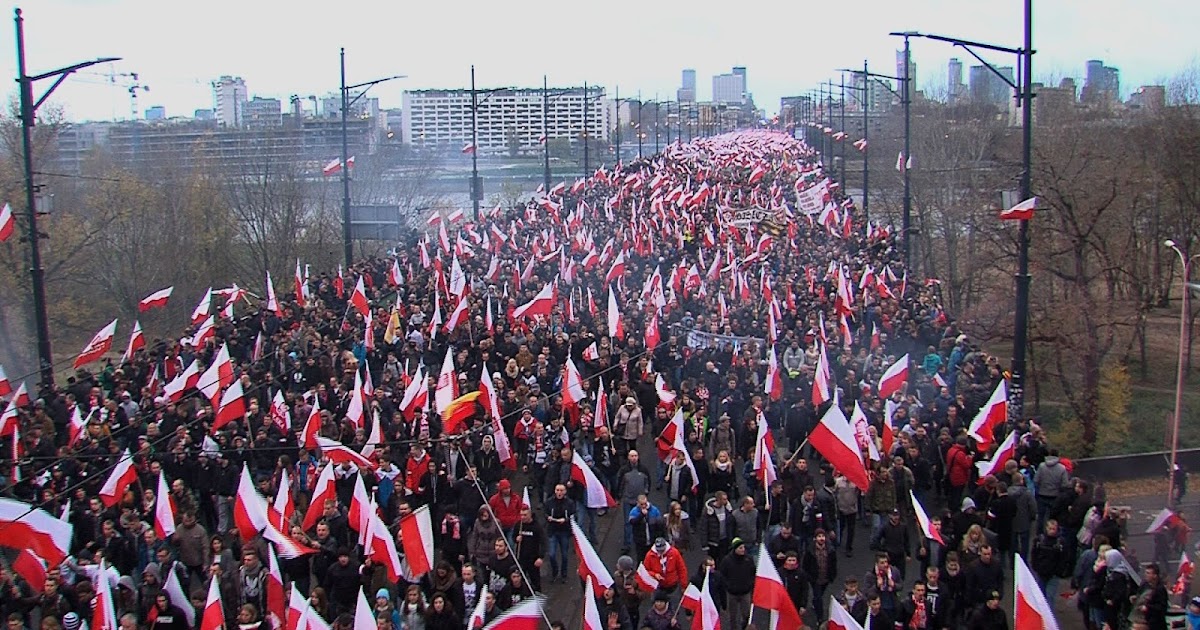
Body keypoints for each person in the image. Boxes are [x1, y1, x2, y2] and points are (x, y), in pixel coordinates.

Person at [718, 539, 755, 630]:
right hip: (732, 593)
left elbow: (753, 573)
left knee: (746, 615)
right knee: (732, 616)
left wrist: (750, 584)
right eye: (740, 548)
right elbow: (722, 575)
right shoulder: (727, 561)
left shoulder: (748, 559)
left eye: (743, 547)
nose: (743, 549)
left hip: (745, 592)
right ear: (735, 549)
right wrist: (728, 586)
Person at [1030, 519, 1070, 603]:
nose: (1052, 531)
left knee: (1050, 597)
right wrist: (1035, 567)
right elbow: (1034, 554)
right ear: (1046, 528)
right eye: (1050, 528)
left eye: (1054, 529)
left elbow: (1064, 558)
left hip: (1053, 575)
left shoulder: (1061, 543)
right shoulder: (1039, 540)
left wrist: (1059, 571)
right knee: (1040, 596)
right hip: (1041, 572)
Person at [801, 530, 836, 621]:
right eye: (819, 536)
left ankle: (815, 602)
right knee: (818, 597)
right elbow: (805, 565)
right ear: (815, 538)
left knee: (821, 593)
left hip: (826, 578)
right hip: (815, 579)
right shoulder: (810, 550)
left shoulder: (831, 550)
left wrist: (832, 575)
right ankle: (820, 618)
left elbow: (833, 564)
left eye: (823, 536)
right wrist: (808, 577)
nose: (821, 538)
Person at [543, 485, 574, 584]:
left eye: (561, 490)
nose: (559, 492)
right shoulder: (549, 502)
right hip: (553, 530)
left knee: (564, 555)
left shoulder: (569, 503)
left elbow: (573, 515)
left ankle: (564, 574)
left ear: (565, 492)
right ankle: (555, 572)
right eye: (557, 490)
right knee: (551, 554)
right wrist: (548, 517)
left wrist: (566, 519)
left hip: (564, 531)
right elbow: (545, 513)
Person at [1131, 563, 1168, 630]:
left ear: (1155, 575)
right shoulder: (1144, 585)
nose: (1145, 575)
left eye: (1148, 573)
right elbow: (1139, 595)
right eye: (1145, 572)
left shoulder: (1160, 589)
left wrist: (1148, 608)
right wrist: (1135, 598)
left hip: (1152, 623)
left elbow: (1162, 607)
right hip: (1138, 618)